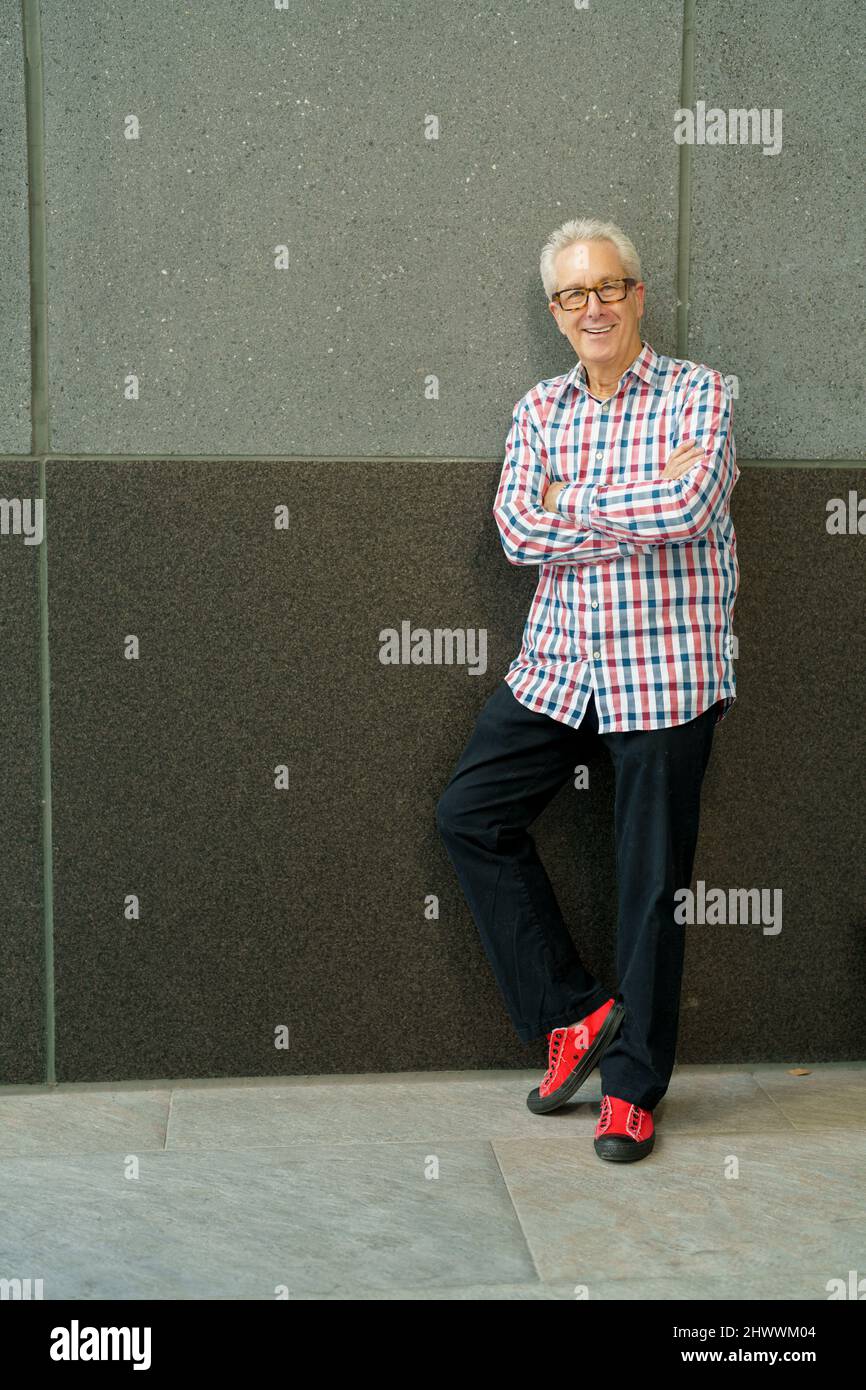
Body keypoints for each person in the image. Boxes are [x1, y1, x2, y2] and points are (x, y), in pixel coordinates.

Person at [436, 217, 739, 1163]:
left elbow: (690, 509)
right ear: (556, 312)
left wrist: (574, 500)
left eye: (609, 287)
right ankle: (576, 1012)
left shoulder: (705, 394)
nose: (593, 307)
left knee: (649, 889)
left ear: (638, 295)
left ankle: (634, 1091)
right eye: (573, 295)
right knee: (470, 816)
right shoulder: (540, 410)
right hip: (559, 665)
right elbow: (519, 535)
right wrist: (628, 497)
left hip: (666, 670)